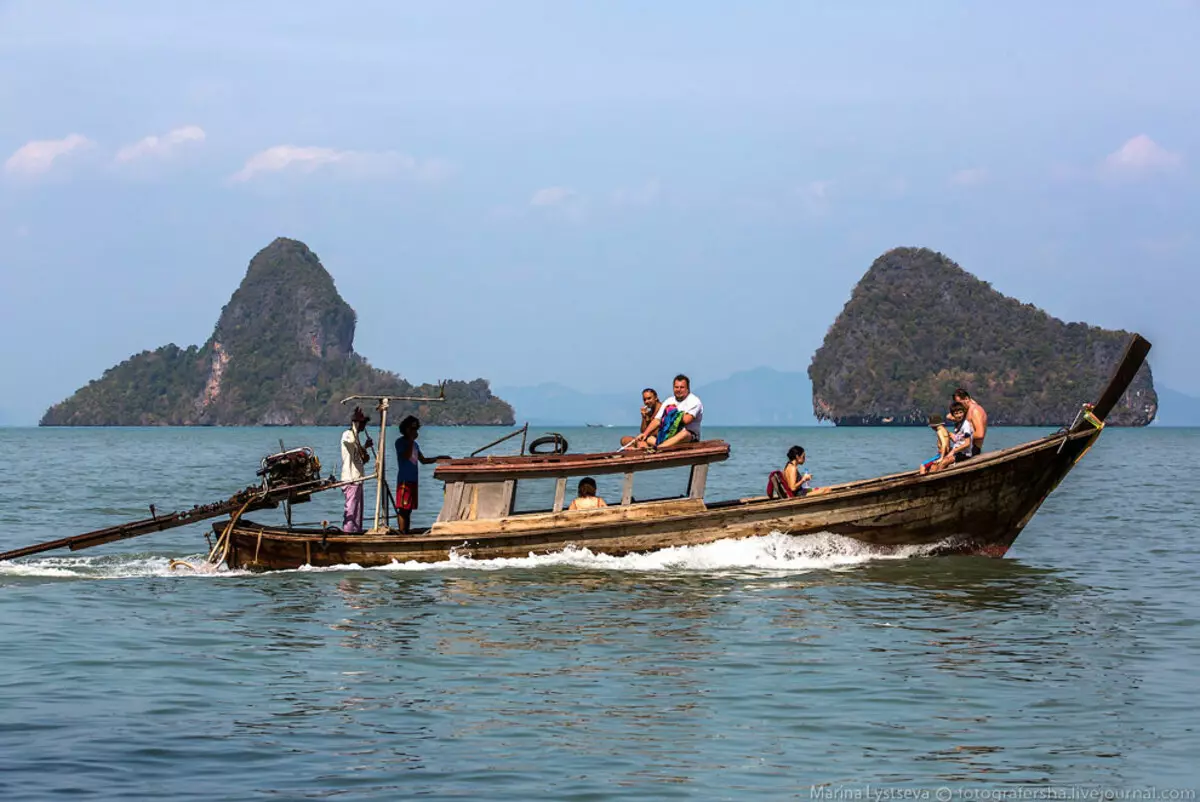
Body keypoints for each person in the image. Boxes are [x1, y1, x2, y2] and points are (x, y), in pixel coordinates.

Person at [394, 415, 450, 534]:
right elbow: (406, 456)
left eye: (416, 429)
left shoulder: (415, 445)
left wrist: (438, 458)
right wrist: (410, 440)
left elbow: (423, 460)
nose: (415, 432)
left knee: (409, 509)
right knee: (403, 508)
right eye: (412, 429)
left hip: (413, 480)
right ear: (406, 429)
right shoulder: (400, 442)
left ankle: (406, 531)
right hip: (404, 480)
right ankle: (402, 532)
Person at [630, 375, 704, 450]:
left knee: (685, 434)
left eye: (682, 387)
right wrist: (645, 434)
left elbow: (687, 420)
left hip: (688, 438)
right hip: (669, 436)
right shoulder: (669, 401)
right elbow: (657, 420)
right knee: (648, 438)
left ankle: (657, 448)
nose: (678, 390)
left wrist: (672, 411)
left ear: (687, 388)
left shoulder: (694, 401)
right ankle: (648, 449)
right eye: (676, 387)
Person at [340, 406, 373, 533]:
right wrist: (355, 424)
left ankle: (356, 531)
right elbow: (350, 444)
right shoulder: (347, 435)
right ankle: (348, 532)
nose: (364, 426)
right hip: (351, 479)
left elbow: (359, 457)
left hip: (358, 479)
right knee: (351, 509)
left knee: (358, 510)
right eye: (363, 423)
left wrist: (365, 447)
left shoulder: (356, 438)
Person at [767, 446, 831, 498]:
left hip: (801, 491)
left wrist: (804, 479)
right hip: (799, 495)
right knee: (827, 490)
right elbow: (792, 488)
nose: (805, 459)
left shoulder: (788, 465)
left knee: (824, 488)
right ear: (797, 457)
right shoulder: (793, 468)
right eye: (803, 456)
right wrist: (803, 479)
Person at [937, 402, 975, 469]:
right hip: (957, 451)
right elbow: (958, 440)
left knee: (943, 462)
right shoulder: (958, 424)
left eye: (961, 412)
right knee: (936, 463)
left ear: (964, 412)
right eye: (956, 413)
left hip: (964, 454)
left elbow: (967, 443)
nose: (959, 415)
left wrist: (953, 451)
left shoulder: (966, 425)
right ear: (953, 415)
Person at [953, 388, 988, 455]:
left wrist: (961, 436)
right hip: (965, 448)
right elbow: (949, 416)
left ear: (966, 399)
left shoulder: (975, 411)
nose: (958, 406)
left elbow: (980, 434)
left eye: (959, 403)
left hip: (973, 449)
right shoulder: (967, 410)